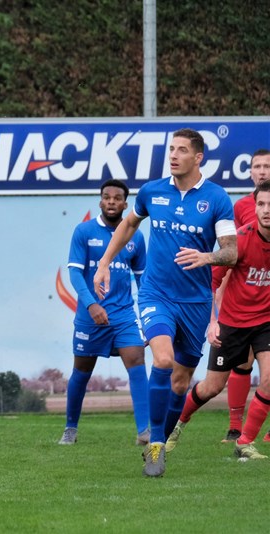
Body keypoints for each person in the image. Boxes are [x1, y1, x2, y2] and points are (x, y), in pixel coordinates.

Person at [93, 128, 237, 477]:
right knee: (162, 358)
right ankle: (155, 443)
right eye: (171, 149)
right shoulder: (152, 192)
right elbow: (128, 225)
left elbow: (232, 252)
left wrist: (207, 258)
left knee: (180, 381)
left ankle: (165, 433)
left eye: (182, 150)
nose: (173, 155)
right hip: (156, 294)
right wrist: (103, 263)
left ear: (198, 157)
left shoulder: (217, 198)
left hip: (196, 302)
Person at [165, 181, 270, 460]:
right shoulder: (241, 240)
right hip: (232, 324)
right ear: (254, 206)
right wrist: (213, 322)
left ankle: (244, 442)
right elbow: (212, 283)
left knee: (269, 379)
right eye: (261, 204)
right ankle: (178, 425)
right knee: (212, 387)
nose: (266, 210)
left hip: (265, 323)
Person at [58, 179, 149, 446]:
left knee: (136, 360)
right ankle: (70, 428)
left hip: (123, 315)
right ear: (100, 201)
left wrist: (146, 317)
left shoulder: (136, 236)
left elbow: (142, 280)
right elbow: (74, 273)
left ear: (125, 204)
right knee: (82, 371)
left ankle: (144, 431)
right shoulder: (84, 231)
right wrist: (92, 304)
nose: (111, 201)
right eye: (106, 197)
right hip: (90, 316)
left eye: (116, 198)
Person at [219, 149, 270, 443]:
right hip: (251, 294)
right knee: (244, 360)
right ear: (250, 172)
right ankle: (236, 427)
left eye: (267, 166)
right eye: (257, 167)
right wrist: (223, 288)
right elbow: (232, 254)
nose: (262, 171)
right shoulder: (241, 207)